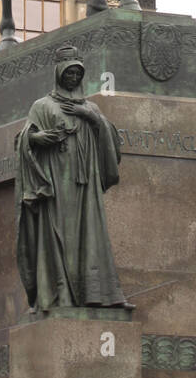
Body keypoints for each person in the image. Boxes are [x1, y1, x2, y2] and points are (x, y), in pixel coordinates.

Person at [15, 43, 131, 312]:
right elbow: (22, 140)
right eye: (69, 73)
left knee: (91, 234)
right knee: (57, 234)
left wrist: (93, 118)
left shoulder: (89, 107)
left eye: (77, 74)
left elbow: (112, 143)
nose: (73, 78)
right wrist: (37, 138)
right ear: (58, 74)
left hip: (85, 184)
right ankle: (59, 295)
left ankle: (97, 294)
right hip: (56, 182)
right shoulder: (42, 106)